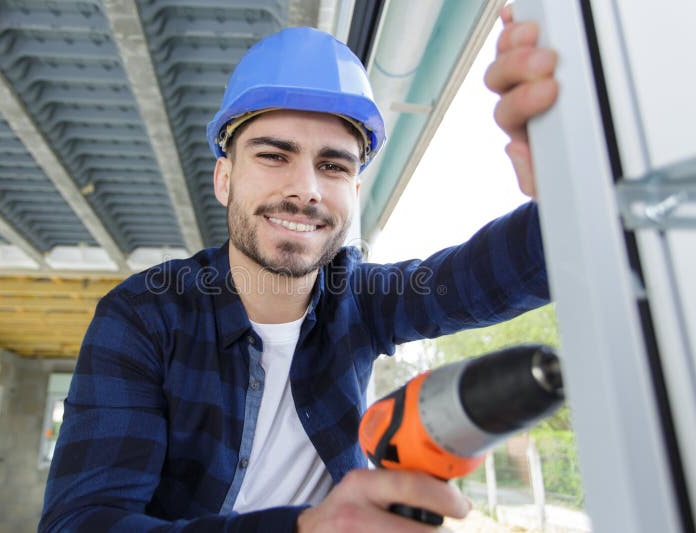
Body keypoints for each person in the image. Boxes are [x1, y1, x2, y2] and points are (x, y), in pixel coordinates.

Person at [39, 7, 558, 532]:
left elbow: (485, 276)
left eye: (333, 166)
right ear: (224, 179)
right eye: (273, 156)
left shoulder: (363, 301)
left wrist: (567, 190)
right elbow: (80, 524)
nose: (306, 189)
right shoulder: (144, 315)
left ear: (354, 192)